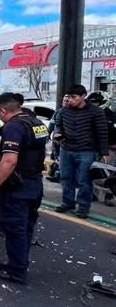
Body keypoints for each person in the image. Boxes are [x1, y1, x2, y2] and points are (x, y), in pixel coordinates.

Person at [0, 93, 48, 284]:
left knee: (15, 229)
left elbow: (9, 160)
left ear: (2, 111)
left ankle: (16, 271)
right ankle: (19, 262)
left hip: (17, 186)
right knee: (25, 227)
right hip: (35, 183)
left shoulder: (13, 127)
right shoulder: (36, 123)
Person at [52, 85, 109, 218]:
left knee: (85, 180)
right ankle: (67, 202)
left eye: (74, 97)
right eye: (68, 97)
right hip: (66, 149)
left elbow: (102, 133)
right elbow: (58, 125)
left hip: (87, 151)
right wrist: (59, 134)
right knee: (66, 177)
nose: (70, 100)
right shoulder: (64, 111)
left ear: (83, 96)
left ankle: (83, 206)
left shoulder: (96, 112)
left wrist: (104, 152)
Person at [87, 91, 116, 167]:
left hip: (109, 150)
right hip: (90, 149)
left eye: (96, 102)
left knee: (105, 171)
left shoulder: (111, 115)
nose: (93, 104)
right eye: (92, 102)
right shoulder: (85, 114)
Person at [47, 95, 71, 181]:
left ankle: (59, 175)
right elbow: (51, 124)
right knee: (57, 156)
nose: (65, 103)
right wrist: (48, 134)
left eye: (67, 101)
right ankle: (56, 174)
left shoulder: (73, 113)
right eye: (64, 101)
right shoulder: (58, 112)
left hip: (66, 141)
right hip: (57, 139)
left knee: (62, 157)